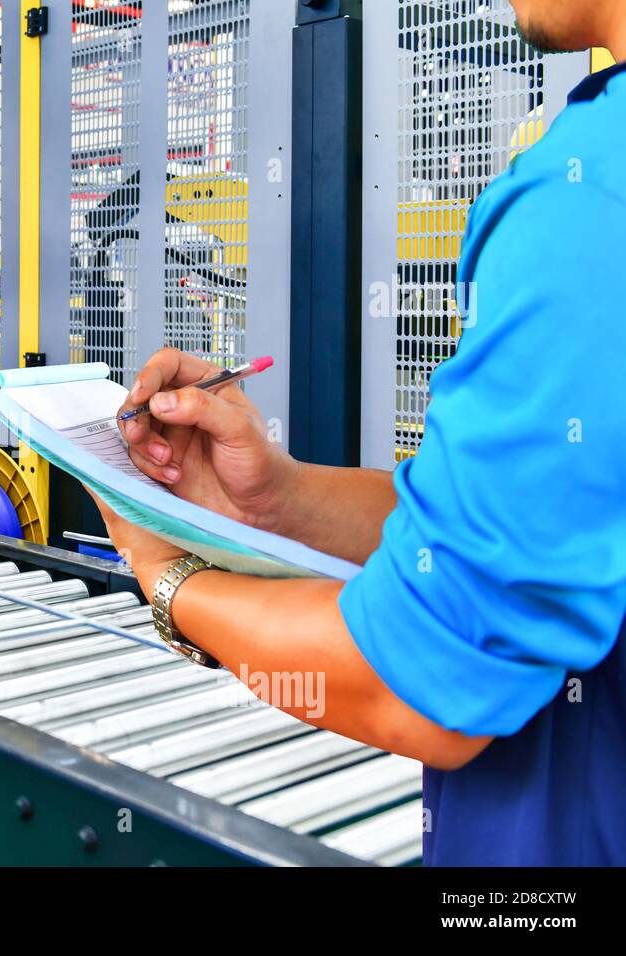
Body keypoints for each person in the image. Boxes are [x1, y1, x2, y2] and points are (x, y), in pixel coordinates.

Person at [95, 0, 626, 865]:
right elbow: (534, 532)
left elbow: (421, 689)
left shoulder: (589, 193)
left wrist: (170, 578)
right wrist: (276, 498)